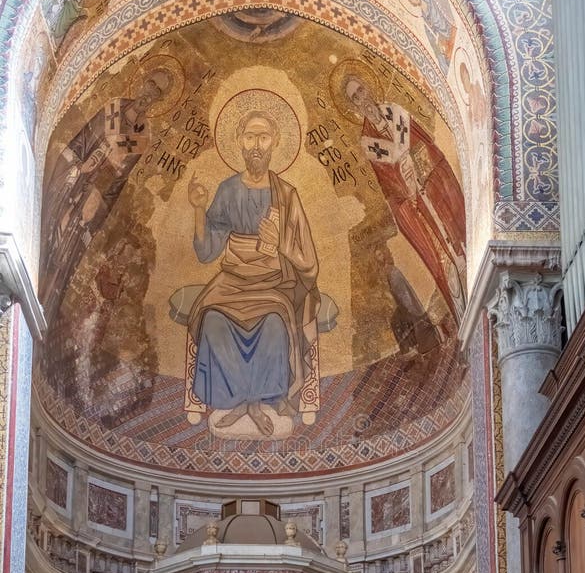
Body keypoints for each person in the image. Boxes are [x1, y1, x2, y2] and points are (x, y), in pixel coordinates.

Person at [187, 109, 320, 438]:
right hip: (231, 283)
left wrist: (280, 247)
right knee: (213, 321)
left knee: (275, 327)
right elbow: (207, 252)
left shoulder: (287, 195)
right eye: (249, 137)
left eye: (263, 137)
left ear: (274, 143)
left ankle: (258, 405)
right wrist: (199, 209)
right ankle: (234, 402)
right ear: (239, 143)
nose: (256, 145)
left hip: (273, 284)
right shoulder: (228, 190)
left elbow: (308, 260)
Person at [40, 65, 174, 320]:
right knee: (53, 233)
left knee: (66, 253)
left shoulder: (142, 137)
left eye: (158, 92)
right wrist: (79, 168)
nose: (150, 93)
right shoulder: (113, 108)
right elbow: (80, 141)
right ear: (142, 81)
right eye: (150, 85)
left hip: (91, 198)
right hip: (74, 180)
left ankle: (45, 306)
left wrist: (97, 204)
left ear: (160, 100)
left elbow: (117, 183)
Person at [342, 73, 466, 324]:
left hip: (432, 189)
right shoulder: (369, 143)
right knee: (441, 254)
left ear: (370, 89)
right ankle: (461, 303)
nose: (361, 99)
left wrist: (417, 165)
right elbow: (388, 187)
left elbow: (429, 147)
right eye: (355, 98)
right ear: (353, 107)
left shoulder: (396, 112)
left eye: (361, 91)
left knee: (456, 240)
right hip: (415, 202)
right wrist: (406, 186)